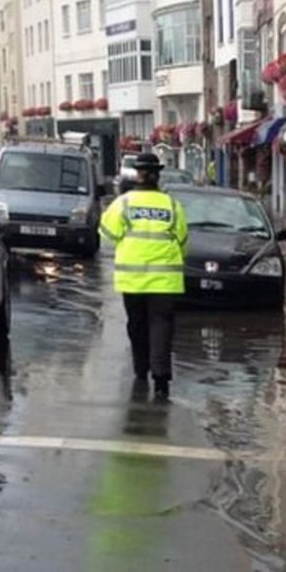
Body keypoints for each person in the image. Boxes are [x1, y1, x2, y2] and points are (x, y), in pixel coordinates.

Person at [99, 153, 189, 397]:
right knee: (161, 327)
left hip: (133, 279)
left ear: (137, 174)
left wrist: (127, 242)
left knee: (137, 325)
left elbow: (107, 232)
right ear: (158, 175)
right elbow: (182, 238)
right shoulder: (171, 205)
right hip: (165, 281)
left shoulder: (124, 203)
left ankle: (141, 369)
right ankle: (161, 379)